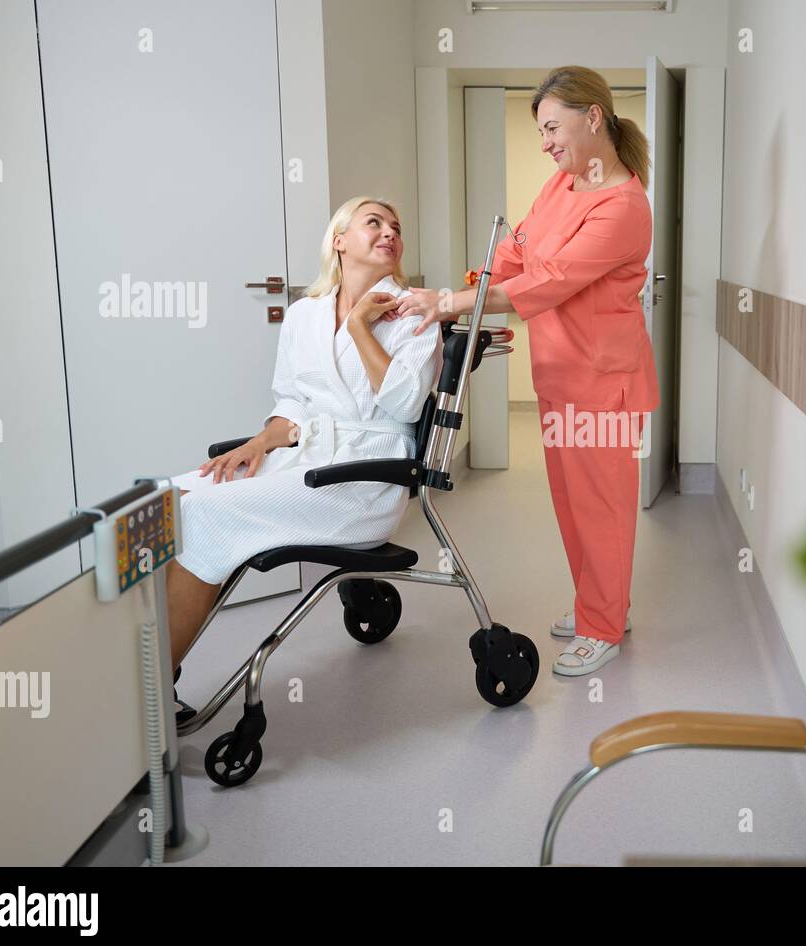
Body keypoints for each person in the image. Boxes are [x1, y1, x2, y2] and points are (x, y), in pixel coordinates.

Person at [396, 66, 657, 677]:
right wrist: (472, 285)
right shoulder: (559, 187)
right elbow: (517, 252)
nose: (545, 143)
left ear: (593, 117)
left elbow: (548, 280)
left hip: (604, 383)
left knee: (603, 507)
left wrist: (453, 304)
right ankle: (601, 604)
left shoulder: (624, 207)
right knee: (570, 502)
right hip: (560, 373)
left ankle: (603, 626)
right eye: (539, 133)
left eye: (551, 128)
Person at [165, 197, 442, 715]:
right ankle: (143, 664)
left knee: (201, 516)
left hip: (363, 480)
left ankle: (150, 692)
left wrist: (361, 325)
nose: (389, 233)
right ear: (339, 240)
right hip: (302, 458)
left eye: (396, 228)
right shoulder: (304, 314)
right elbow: (291, 401)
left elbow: (404, 403)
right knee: (167, 498)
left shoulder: (413, 316)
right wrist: (260, 442)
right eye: (374, 223)